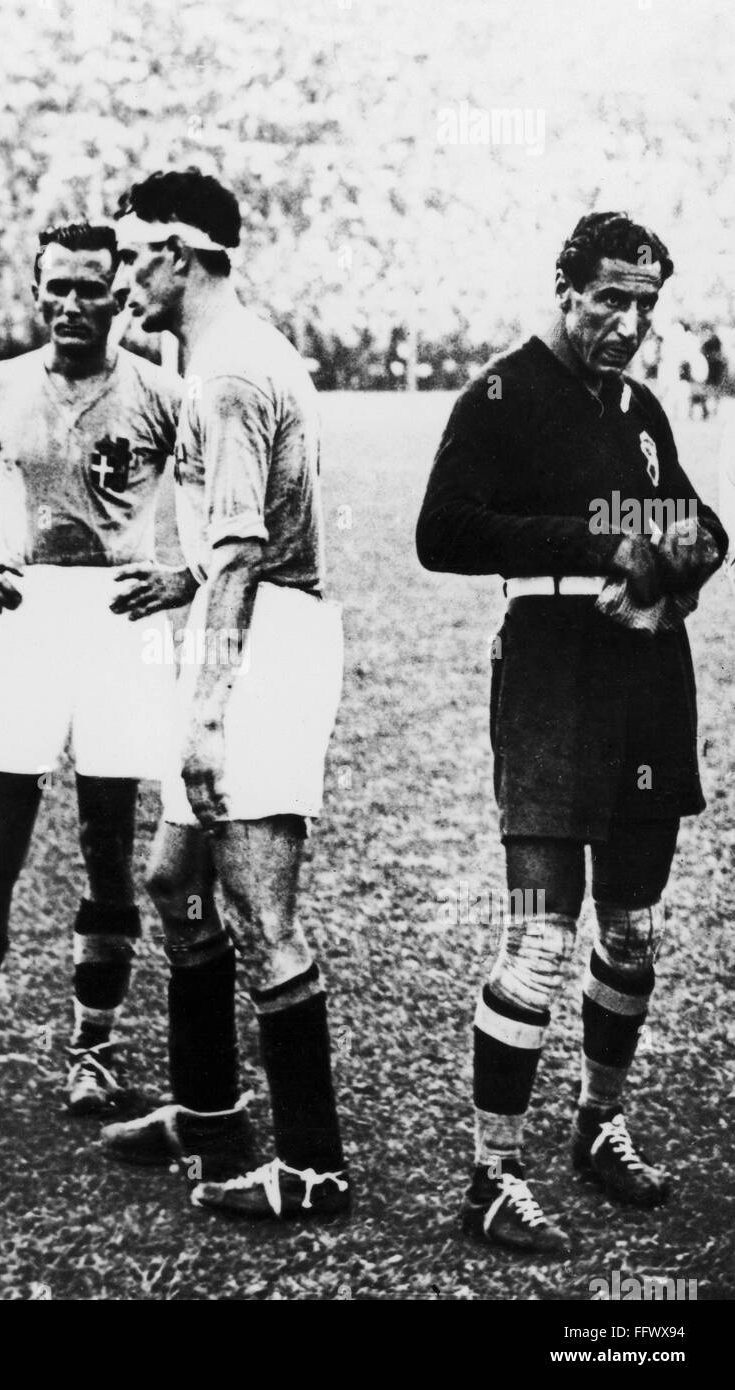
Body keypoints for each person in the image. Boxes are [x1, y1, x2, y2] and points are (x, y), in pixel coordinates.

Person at [416, 212, 728, 1254]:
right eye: (609, 299)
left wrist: (674, 561)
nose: (628, 322)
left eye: (644, 304)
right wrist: (601, 533)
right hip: (549, 682)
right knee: (539, 935)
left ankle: (600, 1121)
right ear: (564, 289)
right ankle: (492, 1173)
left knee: (631, 927)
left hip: (646, 684)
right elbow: (442, 532)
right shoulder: (501, 396)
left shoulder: (642, 408)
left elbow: (703, 524)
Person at [0, 222, 186, 1129]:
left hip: (119, 618)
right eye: (57, 286)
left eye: (92, 287)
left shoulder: (161, 394)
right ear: (36, 289)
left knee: (107, 843)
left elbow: (226, 494)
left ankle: (93, 1051)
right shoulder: (2, 386)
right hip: (21, 619)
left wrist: (184, 572)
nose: (72, 304)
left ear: (119, 292)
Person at [100, 170, 349, 1221]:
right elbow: (228, 544)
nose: (120, 282)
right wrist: (183, 578)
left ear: (177, 253)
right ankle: (207, 1114)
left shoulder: (232, 374)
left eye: (128, 257)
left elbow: (247, 550)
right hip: (236, 622)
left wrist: (205, 711)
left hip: (265, 645)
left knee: (256, 910)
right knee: (173, 879)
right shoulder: (218, 358)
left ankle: (312, 1165)